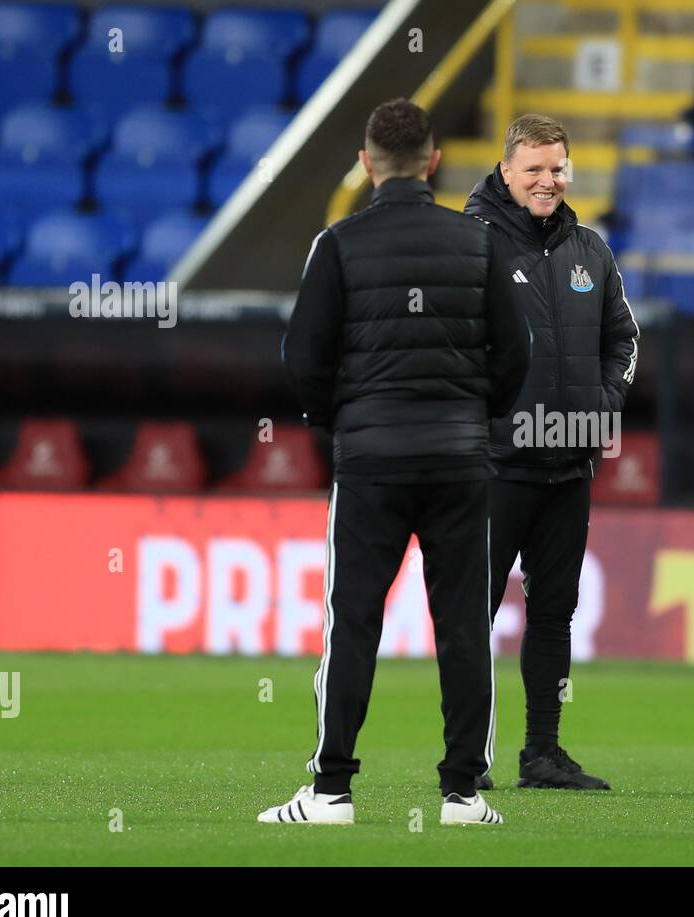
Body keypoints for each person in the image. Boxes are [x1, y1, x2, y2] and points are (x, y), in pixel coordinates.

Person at [260, 99, 529, 826]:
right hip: (458, 463)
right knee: (464, 627)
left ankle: (331, 792)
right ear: (434, 162)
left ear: (366, 163)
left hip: (371, 462)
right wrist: (478, 419)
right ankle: (463, 794)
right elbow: (517, 351)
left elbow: (303, 356)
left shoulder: (337, 244)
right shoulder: (478, 242)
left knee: (351, 623)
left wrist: (337, 423)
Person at [464, 114, 638, 790]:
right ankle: (466, 758)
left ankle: (542, 753)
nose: (547, 180)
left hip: (568, 465)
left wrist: (604, 403)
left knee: (554, 613)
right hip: (494, 465)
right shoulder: (471, 244)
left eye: (557, 168)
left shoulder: (590, 249)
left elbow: (624, 341)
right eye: (534, 169)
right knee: (470, 615)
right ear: (506, 171)